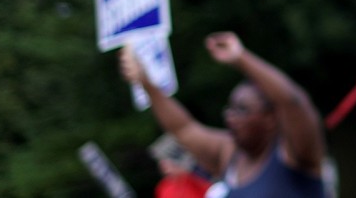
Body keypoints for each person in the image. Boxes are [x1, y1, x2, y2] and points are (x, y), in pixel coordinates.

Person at [119, 32, 327, 197]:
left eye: (242, 110)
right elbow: (184, 129)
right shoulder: (228, 153)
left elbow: (294, 102)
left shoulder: (294, 155)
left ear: (270, 118)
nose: (230, 116)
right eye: (230, 108)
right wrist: (146, 83)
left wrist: (241, 58)